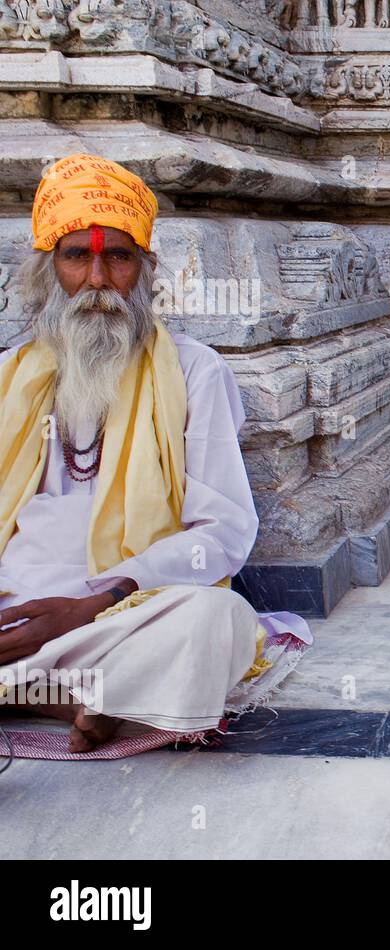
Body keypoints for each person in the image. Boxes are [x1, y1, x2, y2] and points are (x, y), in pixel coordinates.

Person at [0, 153, 309, 753]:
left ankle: (44, 690)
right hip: (11, 612)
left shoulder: (195, 372)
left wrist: (99, 601)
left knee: (215, 622)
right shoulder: (7, 377)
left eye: (117, 256)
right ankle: (76, 698)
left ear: (144, 270)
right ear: (47, 272)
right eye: (76, 256)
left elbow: (223, 533)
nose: (96, 280)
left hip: (125, 613)